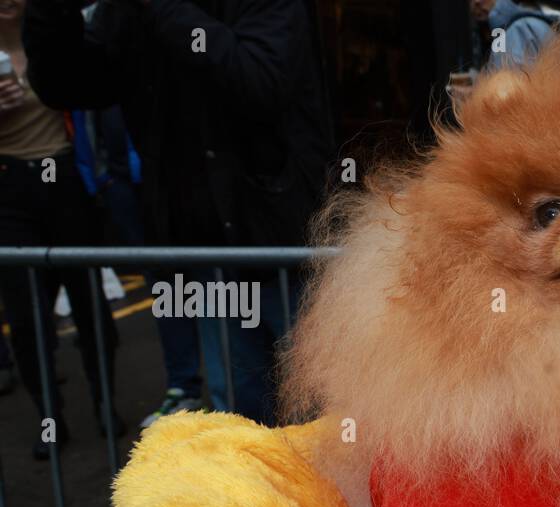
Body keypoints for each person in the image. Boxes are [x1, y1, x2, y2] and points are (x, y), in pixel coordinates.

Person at [23, 0, 334, 426]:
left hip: (285, 241)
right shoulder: (130, 14)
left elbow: (260, 79)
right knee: (241, 422)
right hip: (206, 247)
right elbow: (68, 83)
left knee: (320, 411)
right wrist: (51, 12)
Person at [0, 0, 122, 460]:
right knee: (28, 317)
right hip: (10, 188)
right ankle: (50, 419)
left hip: (67, 177)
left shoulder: (53, 38)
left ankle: (104, 404)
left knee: (91, 304)